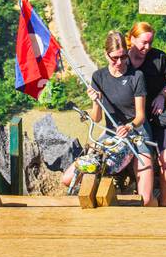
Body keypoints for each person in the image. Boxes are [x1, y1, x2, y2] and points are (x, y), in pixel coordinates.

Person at [61, 30, 157, 206]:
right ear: (106, 55)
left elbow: (141, 116)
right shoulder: (99, 77)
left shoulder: (136, 76)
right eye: (115, 58)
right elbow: (96, 118)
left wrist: (129, 127)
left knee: (147, 198)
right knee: (68, 179)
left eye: (123, 57)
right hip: (111, 133)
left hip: (137, 133)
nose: (120, 62)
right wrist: (96, 101)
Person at [126, 21, 166, 206]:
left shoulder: (159, 58)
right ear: (131, 39)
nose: (147, 47)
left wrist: (162, 95)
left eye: (150, 42)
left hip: (160, 117)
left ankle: (165, 204)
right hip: (135, 120)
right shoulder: (122, 61)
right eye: (143, 42)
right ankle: (144, 199)